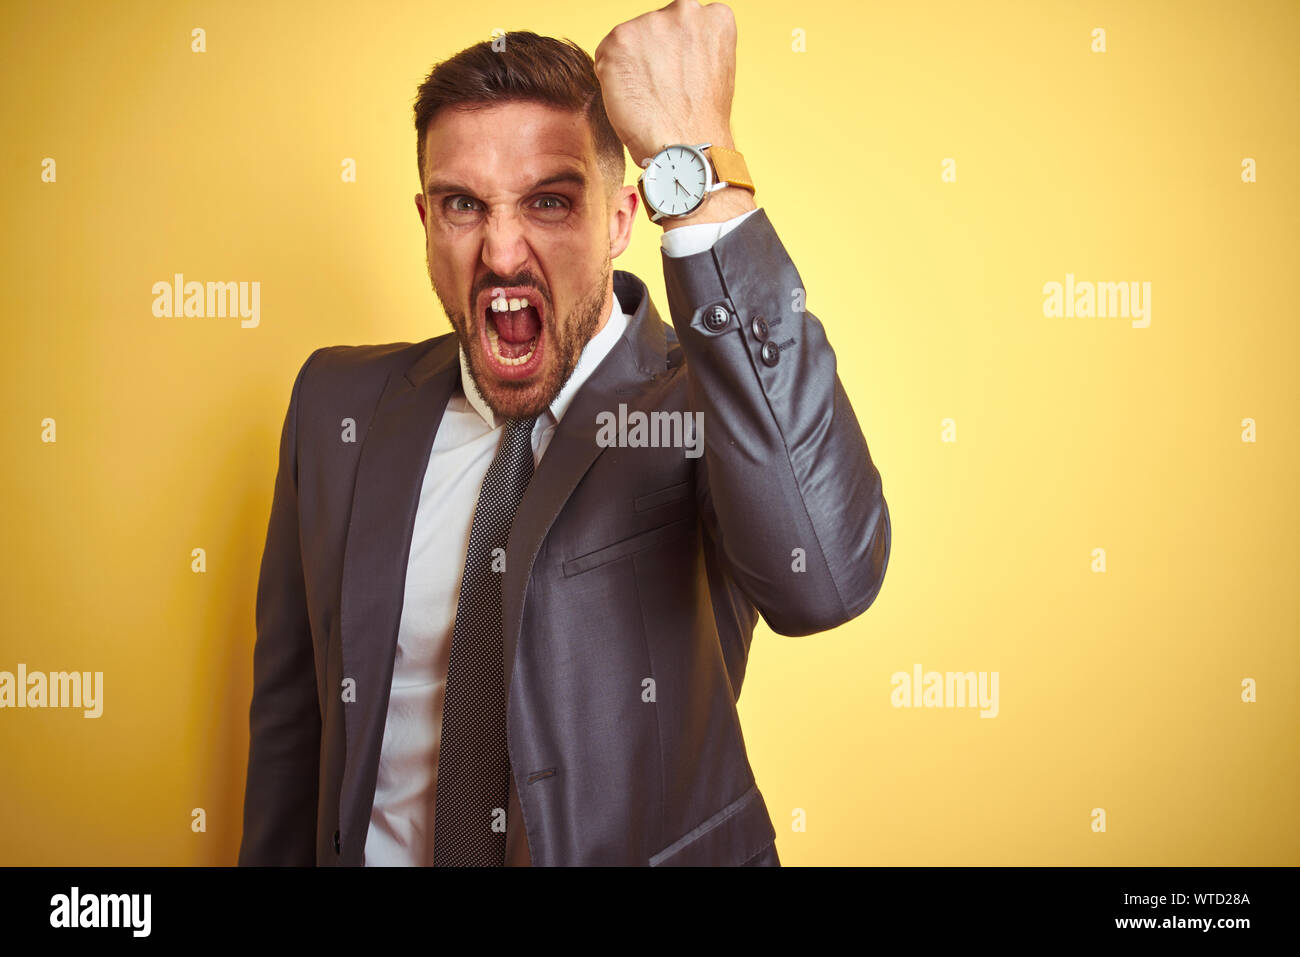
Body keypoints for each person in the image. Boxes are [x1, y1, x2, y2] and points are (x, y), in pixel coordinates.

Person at [238, 0, 890, 867]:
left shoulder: (707, 406)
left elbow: (828, 579)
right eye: (463, 204)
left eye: (549, 201)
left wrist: (699, 160)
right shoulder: (336, 407)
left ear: (621, 220)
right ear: (426, 221)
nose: (503, 252)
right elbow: (292, 729)